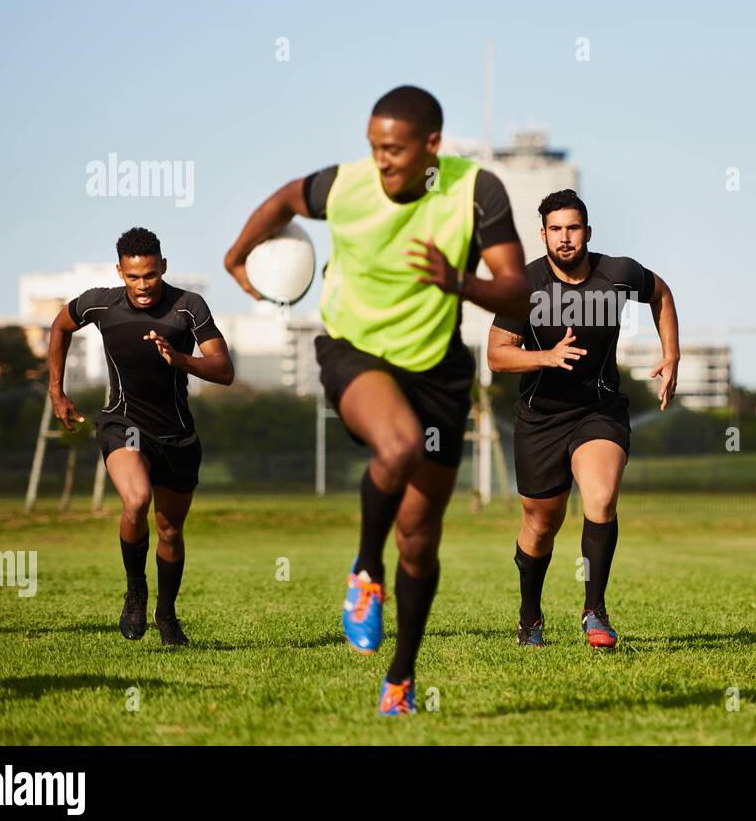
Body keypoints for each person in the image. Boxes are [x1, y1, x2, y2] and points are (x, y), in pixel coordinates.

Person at [224, 85, 528, 714]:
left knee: (419, 538)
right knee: (398, 445)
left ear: (431, 148)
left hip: (437, 373)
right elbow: (286, 199)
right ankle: (365, 572)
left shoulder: (476, 191)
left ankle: (400, 680)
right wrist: (236, 256)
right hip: (354, 350)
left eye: (392, 149)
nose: (380, 161)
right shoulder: (346, 185)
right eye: (372, 147)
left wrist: (457, 281)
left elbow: (517, 293)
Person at [488, 189, 680, 649]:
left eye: (573, 228)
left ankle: (595, 612)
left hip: (598, 411)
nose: (565, 238)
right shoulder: (526, 285)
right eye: (555, 230)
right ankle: (529, 615)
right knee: (541, 525)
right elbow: (496, 355)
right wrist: (546, 356)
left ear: (587, 232)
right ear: (543, 235)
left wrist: (671, 354)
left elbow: (661, 293)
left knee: (601, 496)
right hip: (540, 418)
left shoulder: (617, 274)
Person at [49, 226, 234, 646]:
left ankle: (167, 616)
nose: (143, 286)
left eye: (149, 275)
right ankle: (136, 590)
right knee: (136, 499)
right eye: (133, 277)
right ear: (120, 272)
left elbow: (224, 370)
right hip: (124, 424)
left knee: (170, 531)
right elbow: (60, 327)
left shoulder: (188, 308)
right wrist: (56, 390)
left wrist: (179, 359)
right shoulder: (100, 304)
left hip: (178, 436)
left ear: (162, 267)